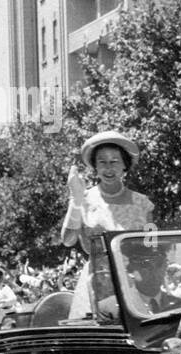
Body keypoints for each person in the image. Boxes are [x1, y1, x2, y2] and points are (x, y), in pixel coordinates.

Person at [63, 131, 155, 320]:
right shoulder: (84, 198)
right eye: (102, 161)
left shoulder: (143, 203)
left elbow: (152, 247)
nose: (108, 167)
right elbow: (68, 240)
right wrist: (76, 199)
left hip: (135, 286)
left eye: (115, 161)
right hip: (97, 284)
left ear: (125, 166)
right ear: (95, 166)